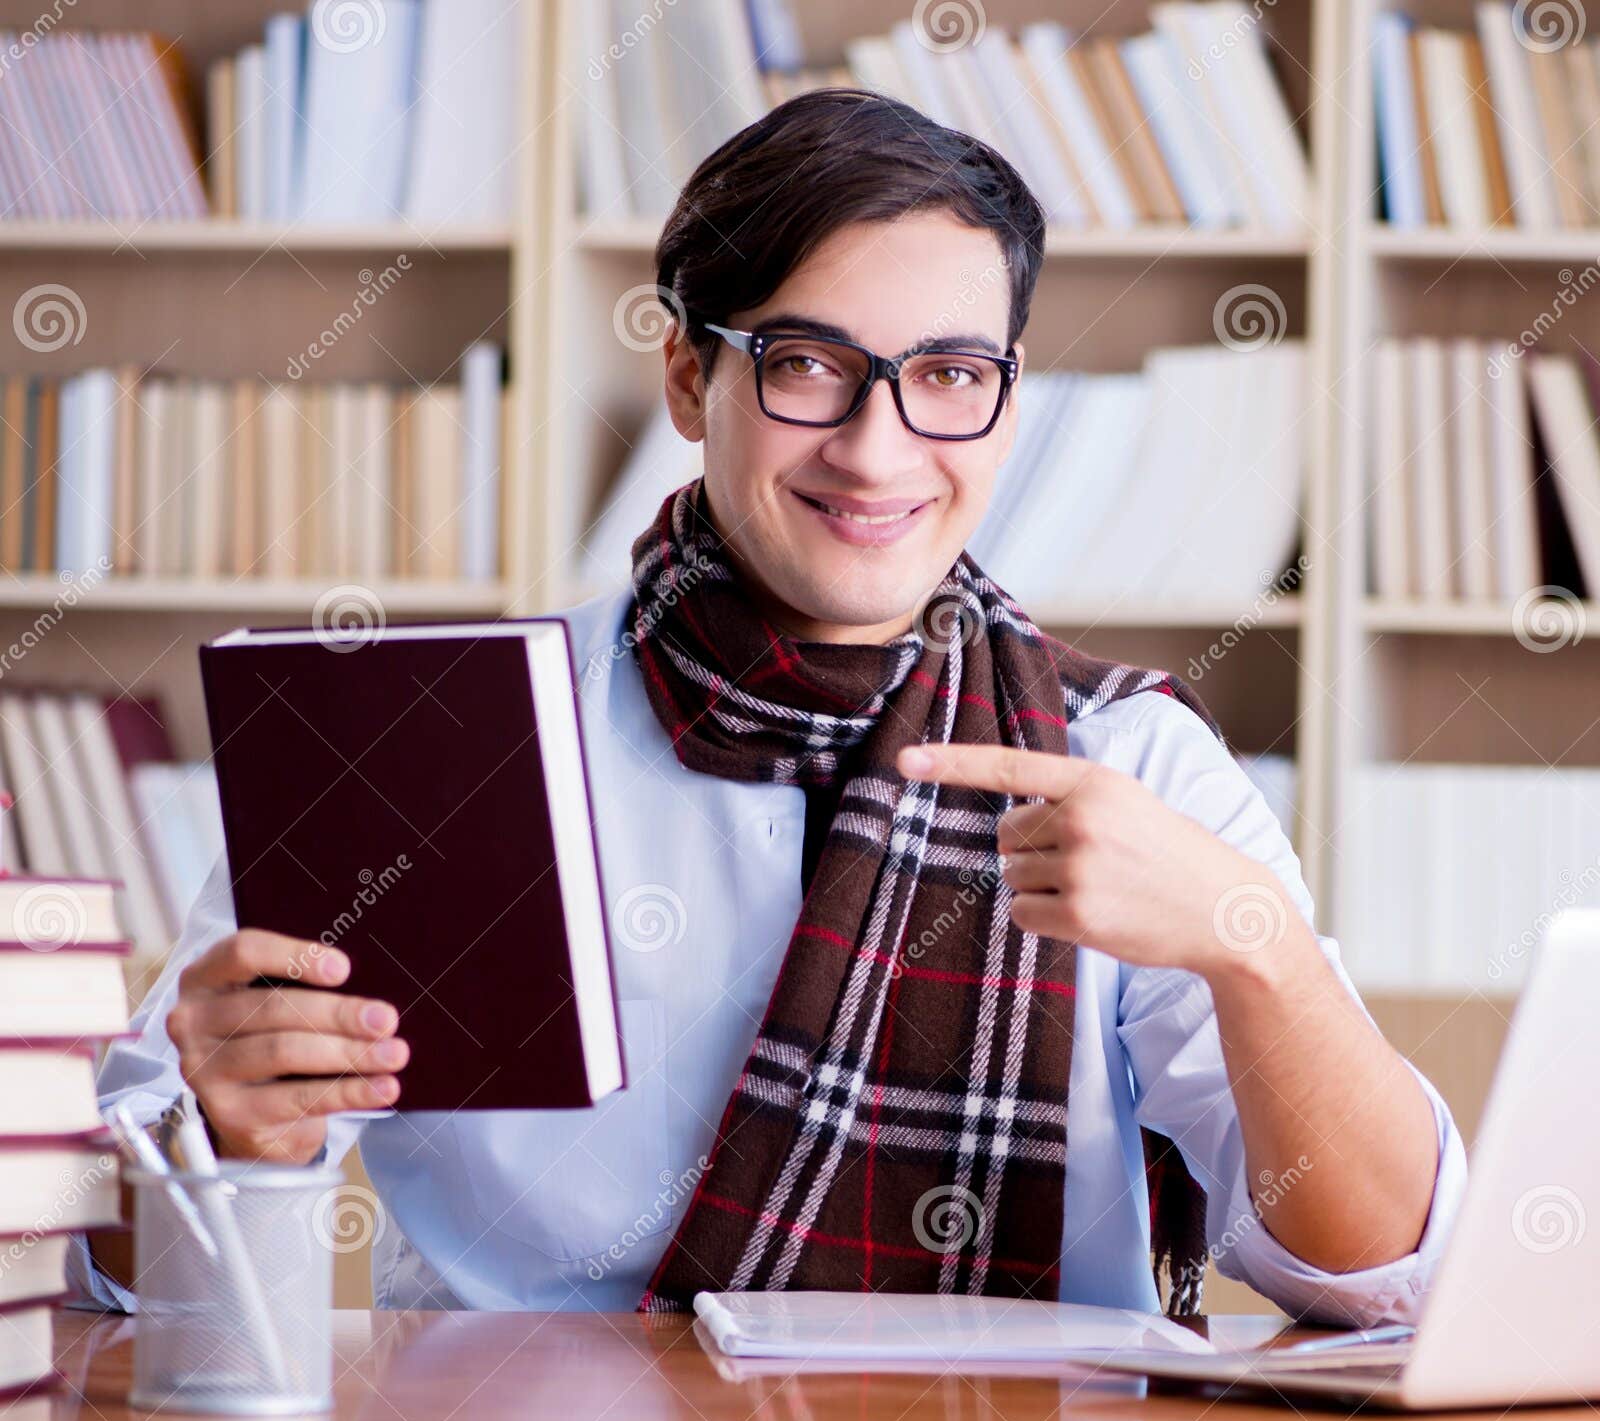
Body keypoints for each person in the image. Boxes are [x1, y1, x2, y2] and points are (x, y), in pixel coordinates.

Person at [75, 90, 1463, 1320]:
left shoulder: (1131, 757)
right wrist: (217, 1124)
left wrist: (1257, 945)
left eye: (948, 376)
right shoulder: (433, 731)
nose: (878, 448)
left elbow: (1380, 1270)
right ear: (690, 376)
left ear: (1007, 400)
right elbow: (108, 1267)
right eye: (806, 364)